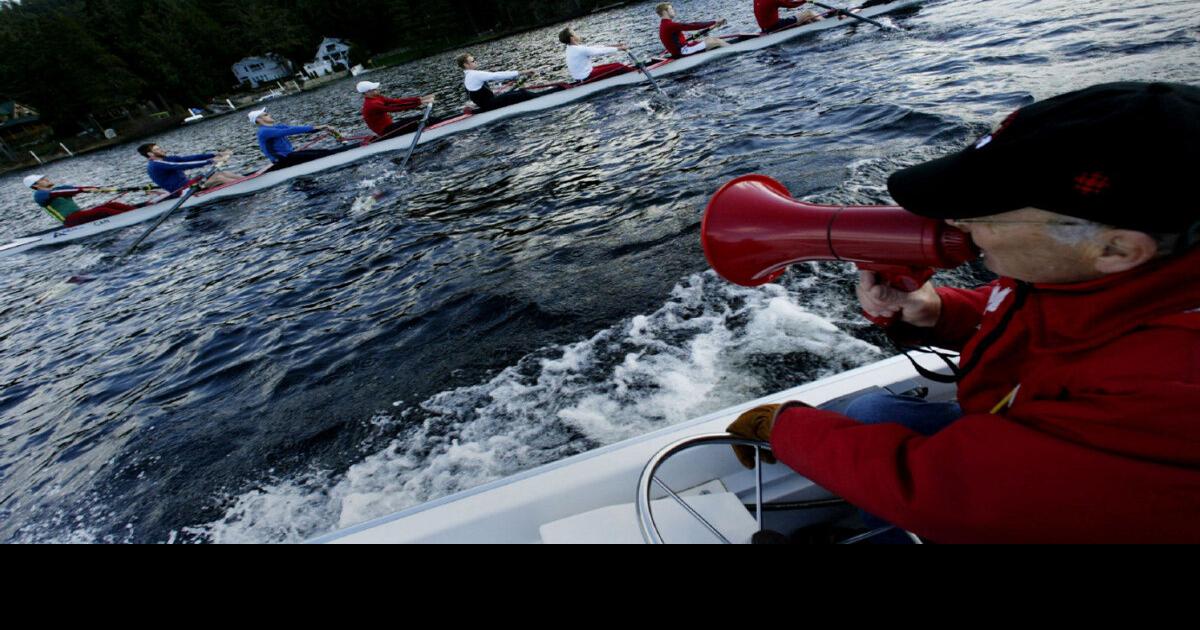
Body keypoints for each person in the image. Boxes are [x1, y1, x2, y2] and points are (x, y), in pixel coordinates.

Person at [727, 82, 1200, 543]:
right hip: (1029, 442)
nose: (957, 222)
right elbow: (1055, 321)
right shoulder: (1098, 270)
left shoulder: (1173, 388)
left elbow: (947, 494)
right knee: (872, 411)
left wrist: (785, 426)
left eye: (986, 214)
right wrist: (934, 311)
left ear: (1116, 248)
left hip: (1038, 497)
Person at [249, 109, 355, 171]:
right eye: (266, 114)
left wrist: (319, 129)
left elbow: (296, 128)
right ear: (259, 119)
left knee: (324, 151)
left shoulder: (276, 127)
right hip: (283, 160)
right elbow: (290, 131)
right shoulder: (264, 131)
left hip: (289, 155)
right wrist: (318, 127)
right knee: (324, 153)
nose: (269, 115)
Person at [23, 175, 144, 227]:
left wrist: (101, 189)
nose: (46, 179)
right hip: (71, 220)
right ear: (36, 185)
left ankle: (139, 212)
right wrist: (79, 190)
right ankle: (136, 218)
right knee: (103, 210)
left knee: (112, 204)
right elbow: (55, 194)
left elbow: (80, 188)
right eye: (43, 179)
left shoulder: (58, 189)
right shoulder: (39, 195)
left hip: (79, 216)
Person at [458, 53, 561, 112]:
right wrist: (522, 72)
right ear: (466, 65)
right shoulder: (474, 74)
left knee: (521, 92)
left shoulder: (468, 76)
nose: (475, 62)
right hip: (489, 105)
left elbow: (479, 94)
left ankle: (545, 96)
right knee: (523, 93)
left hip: (488, 104)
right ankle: (550, 100)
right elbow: (497, 75)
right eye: (473, 61)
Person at [137, 143, 240, 196]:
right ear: (150, 154)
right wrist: (211, 161)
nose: (162, 150)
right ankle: (244, 185)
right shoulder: (156, 165)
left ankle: (248, 180)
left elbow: (189, 158)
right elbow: (184, 165)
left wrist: (215, 154)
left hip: (188, 184)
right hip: (181, 191)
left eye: (160, 148)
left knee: (222, 173)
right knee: (219, 179)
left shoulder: (166, 159)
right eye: (157, 149)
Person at [358, 81, 440, 140]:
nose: (377, 91)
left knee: (421, 118)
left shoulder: (377, 97)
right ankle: (441, 125)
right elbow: (395, 108)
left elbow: (396, 101)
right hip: (387, 132)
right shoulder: (372, 104)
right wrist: (419, 103)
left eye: (375, 89)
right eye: (373, 90)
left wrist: (420, 99)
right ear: (366, 93)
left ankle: (439, 123)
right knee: (419, 119)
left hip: (391, 127)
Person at [656, 3, 729, 58]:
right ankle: (734, 49)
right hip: (683, 52)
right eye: (671, 9)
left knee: (707, 39)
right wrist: (714, 21)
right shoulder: (670, 25)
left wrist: (714, 26)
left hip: (681, 50)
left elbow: (691, 37)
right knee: (716, 41)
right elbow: (694, 25)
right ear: (665, 12)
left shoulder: (664, 25)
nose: (673, 11)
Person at [560, 27, 633, 83]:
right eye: (575, 33)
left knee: (617, 64)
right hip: (586, 77)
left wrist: (615, 45)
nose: (577, 35)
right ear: (572, 38)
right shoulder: (579, 50)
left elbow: (594, 48)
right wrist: (620, 49)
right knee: (618, 67)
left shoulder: (571, 48)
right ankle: (636, 73)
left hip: (582, 76)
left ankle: (631, 71)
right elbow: (599, 51)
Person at [753, 0, 822, 33]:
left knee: (807, 19)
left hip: (765, 29)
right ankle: (825, 22)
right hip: (776, 27)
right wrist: (805, 1)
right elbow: (791, 4)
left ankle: (812, 24)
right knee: (809, 13)